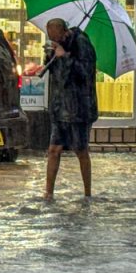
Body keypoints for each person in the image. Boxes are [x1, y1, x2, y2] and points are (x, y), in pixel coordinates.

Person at [39, 18, 98, 200]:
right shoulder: (58, 45)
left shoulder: (82, 43)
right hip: (60, 107)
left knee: (81, 150)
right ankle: (48, 193)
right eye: (51, 39)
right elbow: (57, 73)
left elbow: (86, 73)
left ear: (65, 32)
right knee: (53, 149)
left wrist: (67, 56)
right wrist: (50, 57)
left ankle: (87, 193)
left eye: (56, 38)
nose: (55, 42)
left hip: (79, 109)